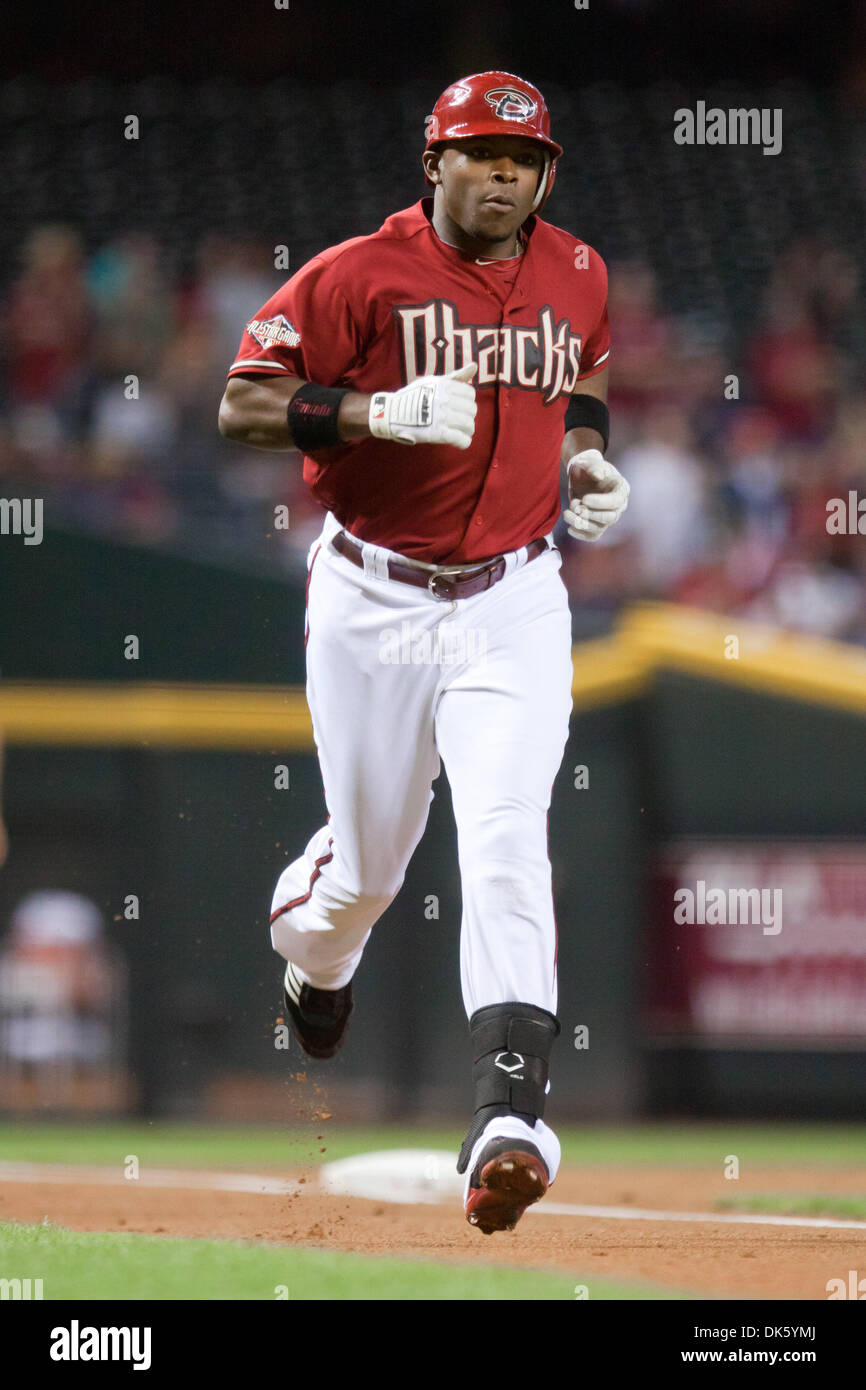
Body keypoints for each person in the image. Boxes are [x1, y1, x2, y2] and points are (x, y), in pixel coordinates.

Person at [218, 71, 629, 1234]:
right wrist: (366, 414)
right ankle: (317, 956)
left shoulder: (579, 271)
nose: (503, 171)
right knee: (368, 870)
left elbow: (583, 366)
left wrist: (585, 456)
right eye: (480, 152)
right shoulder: (356, 273)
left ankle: (510, 1112)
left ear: (544, 171)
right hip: (372, 597)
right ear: (434, 163)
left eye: (522, 156)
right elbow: (240, 404)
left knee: (503, 830)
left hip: (513, 596)